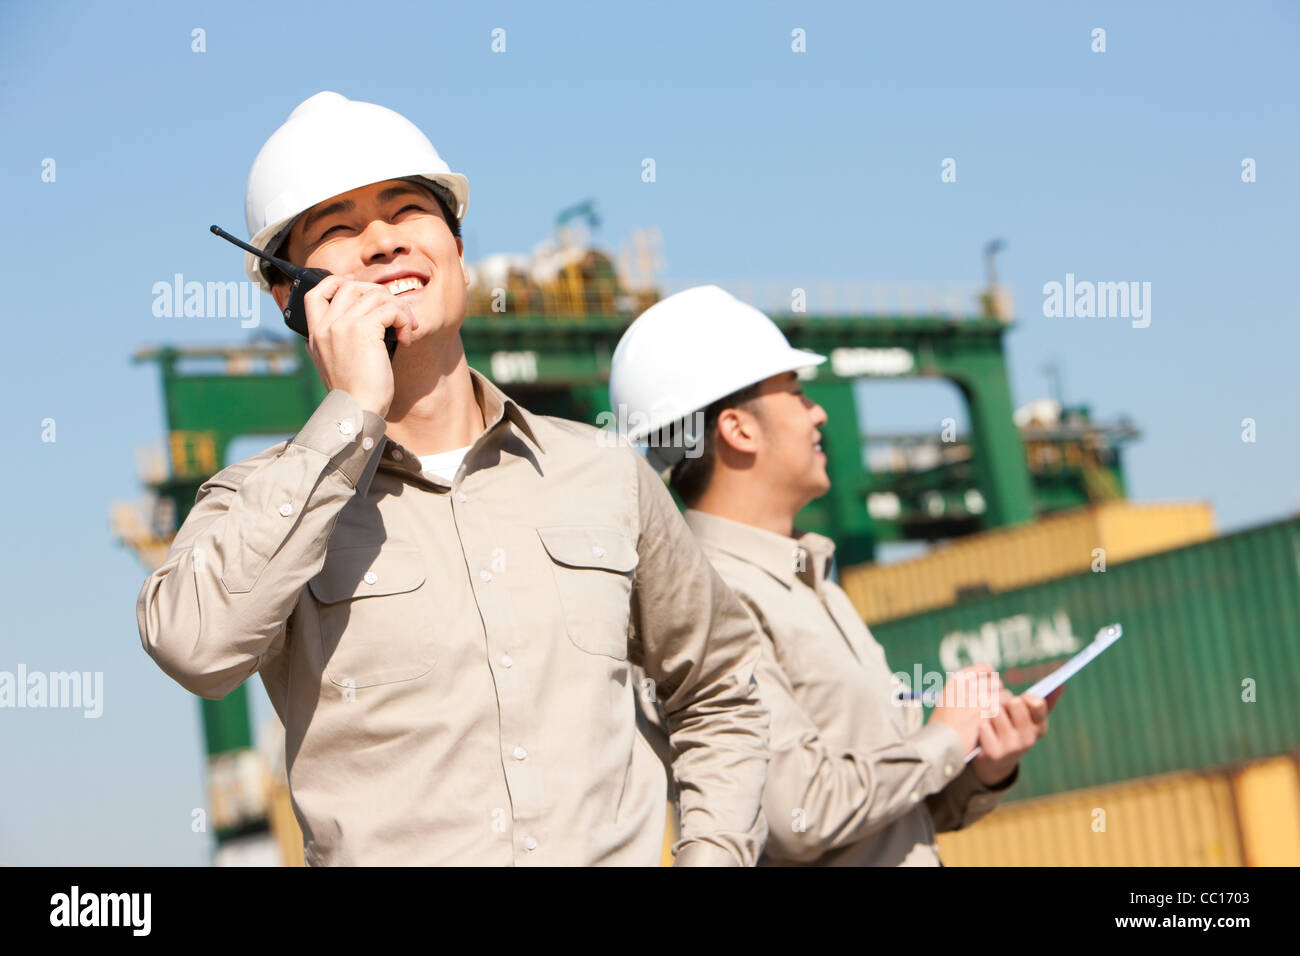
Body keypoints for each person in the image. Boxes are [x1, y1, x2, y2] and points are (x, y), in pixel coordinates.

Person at [136, 94, 770, 866]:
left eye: (407, 209)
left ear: (459, 248)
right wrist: (351, 411)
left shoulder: (603, 473)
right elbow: (196, 648)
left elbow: (720, 688)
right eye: (337, 228)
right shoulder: (259, 501)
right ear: (288, 294)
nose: (383, 241)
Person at [609, 285, 1060, 866]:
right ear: (739, 430)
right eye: (797, 393)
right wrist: (946, 736)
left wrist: (983, 763)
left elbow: (892, 817)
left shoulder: (812, 580)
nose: (819, 412)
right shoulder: (707, 600)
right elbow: (796, 813)